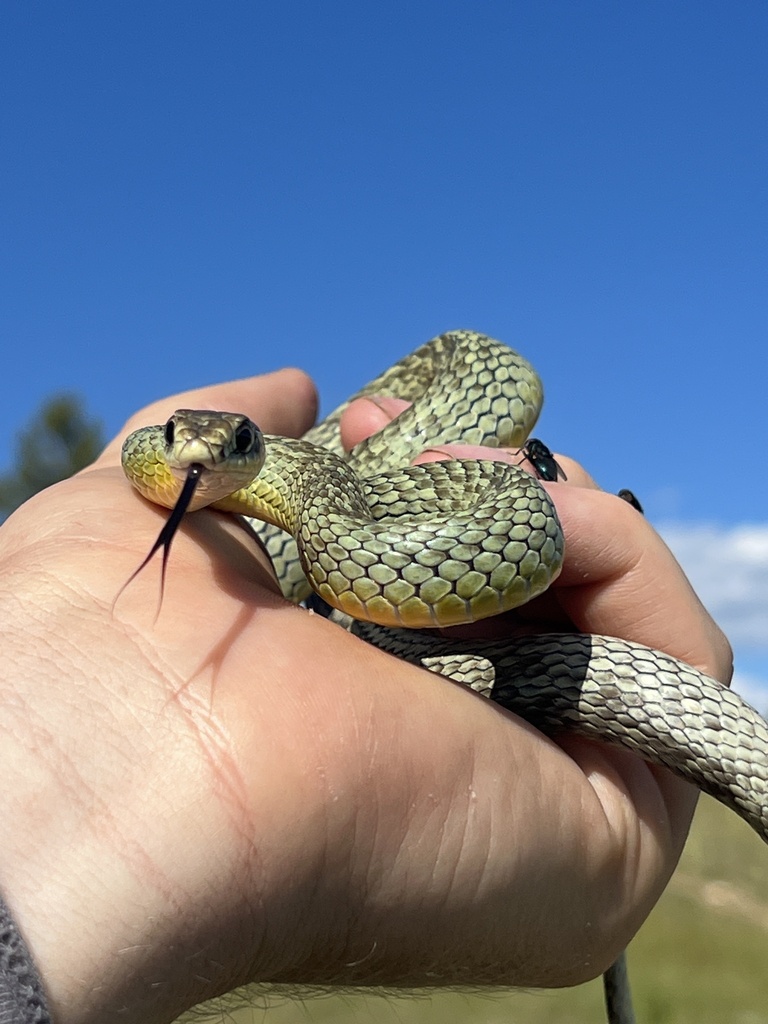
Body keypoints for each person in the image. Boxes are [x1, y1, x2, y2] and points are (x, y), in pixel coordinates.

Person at [0, 367, 732, 1024]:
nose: (196, 457)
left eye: (235, 444)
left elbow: (351, 492)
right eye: (172, 444)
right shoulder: (187, 482)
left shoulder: (310, 486)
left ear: (254, 449)